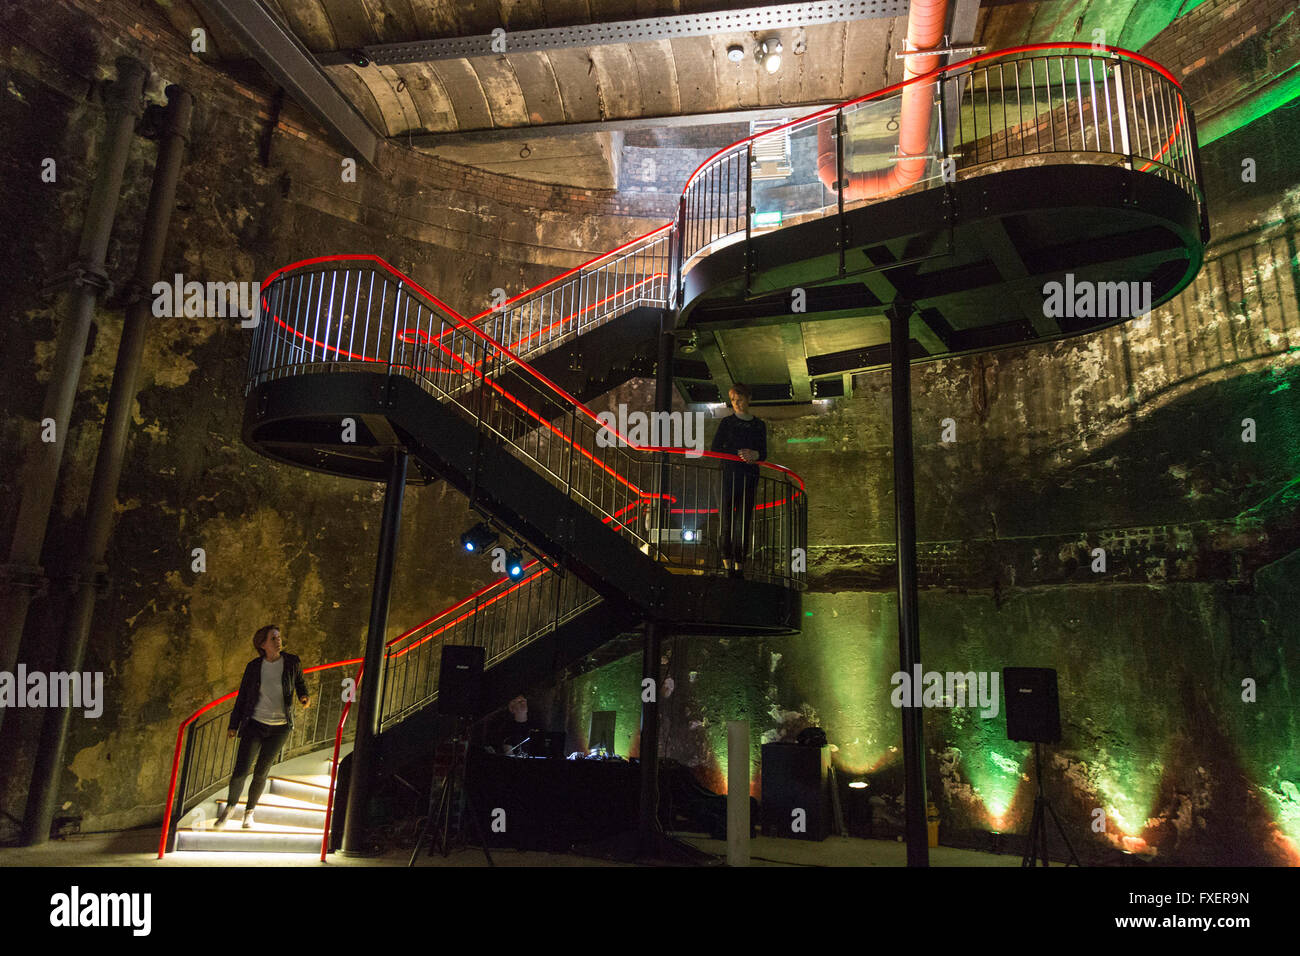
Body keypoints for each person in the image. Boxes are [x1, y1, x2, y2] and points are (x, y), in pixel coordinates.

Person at [214, 625, 309, 829]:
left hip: (280, 728)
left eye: (279, 637)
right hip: (254, 725)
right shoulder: (254, 666)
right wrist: (233, 724)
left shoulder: (292, 661)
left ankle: (249, 813)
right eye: (273, 638)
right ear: (263, 644)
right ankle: (230, 808)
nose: (278, 640)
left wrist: (303, 695)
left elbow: (300, 682)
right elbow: (242, 697)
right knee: (241, 770)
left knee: (261, 772)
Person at [710, 383, 766, 575]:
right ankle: (727, 565)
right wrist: (738, 452)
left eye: (739, 398)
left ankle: (739, 565)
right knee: (726, 520)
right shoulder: (727, 423)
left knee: (744, 521)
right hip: (727, 475)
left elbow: (764, 452)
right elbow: (715, 448)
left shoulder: (759, 425)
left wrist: (755, 454)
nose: (736, 403)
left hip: (749, 476)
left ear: (748, 398)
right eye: (733, 399)